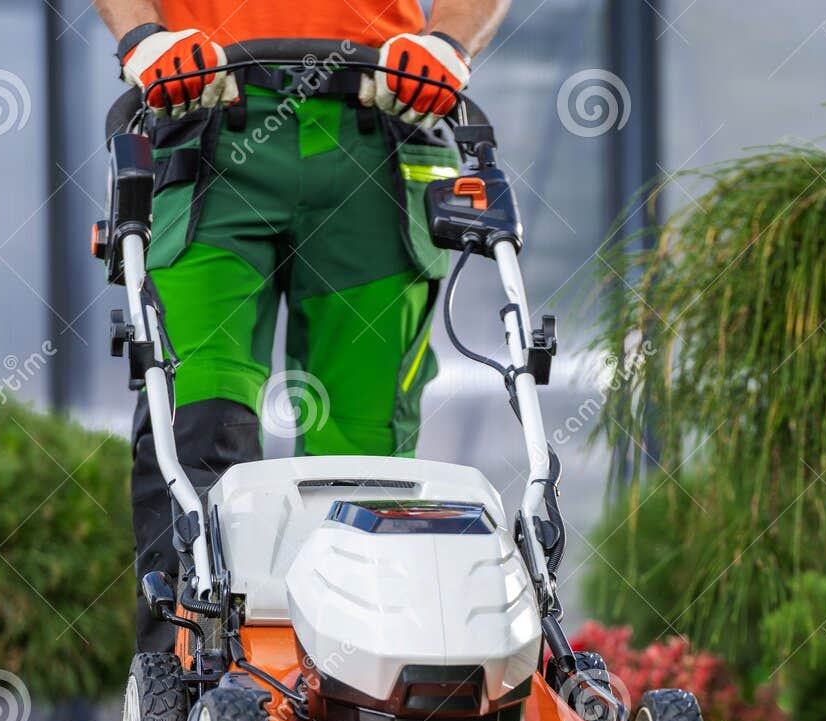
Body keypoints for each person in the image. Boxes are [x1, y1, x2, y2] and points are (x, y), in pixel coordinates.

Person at [93, 0, 512, 651]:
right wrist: (144, 39)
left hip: (382, 124)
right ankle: (186, 699)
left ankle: (358, 705)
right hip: (204, 125)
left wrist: (448, 44)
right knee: (197, 427)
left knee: (363, 462)